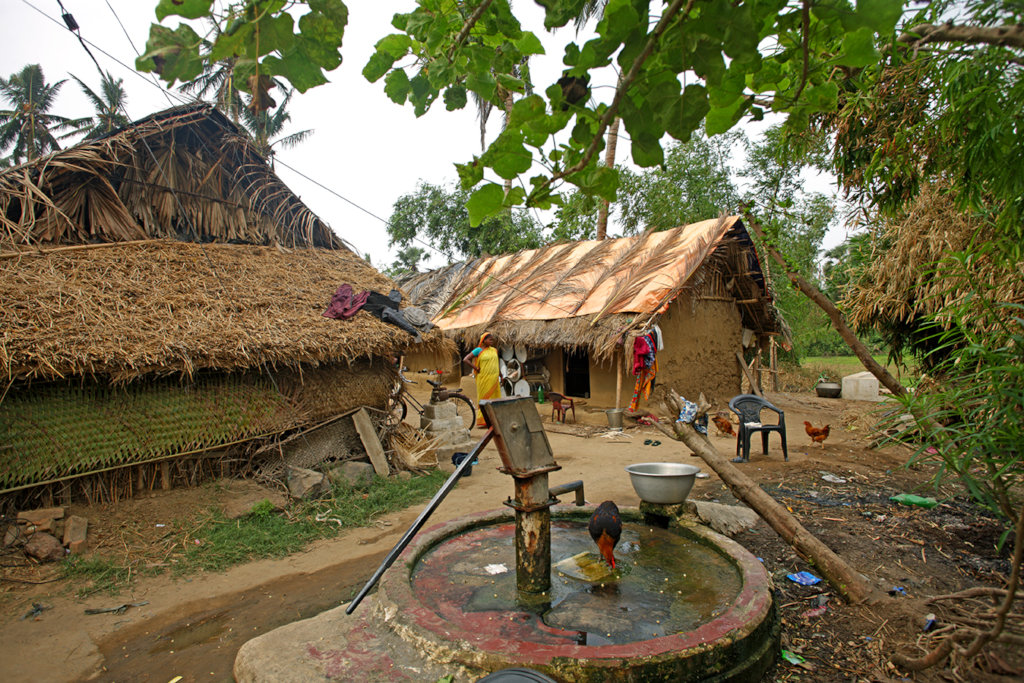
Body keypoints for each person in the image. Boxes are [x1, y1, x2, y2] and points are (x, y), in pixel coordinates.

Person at [463, 332, 500, 427]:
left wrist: (501, 375)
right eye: (490, 339)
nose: (492, 341)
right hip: (483, 378)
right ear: (484, 340)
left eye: (492, 339)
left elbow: (496, 363)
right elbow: (465, 359)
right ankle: (484, 420)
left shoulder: (494, 350)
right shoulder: (478, 350)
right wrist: (476, 368)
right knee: (484, 398)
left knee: (494, 398)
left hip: (494, 378)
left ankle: (494, 420)